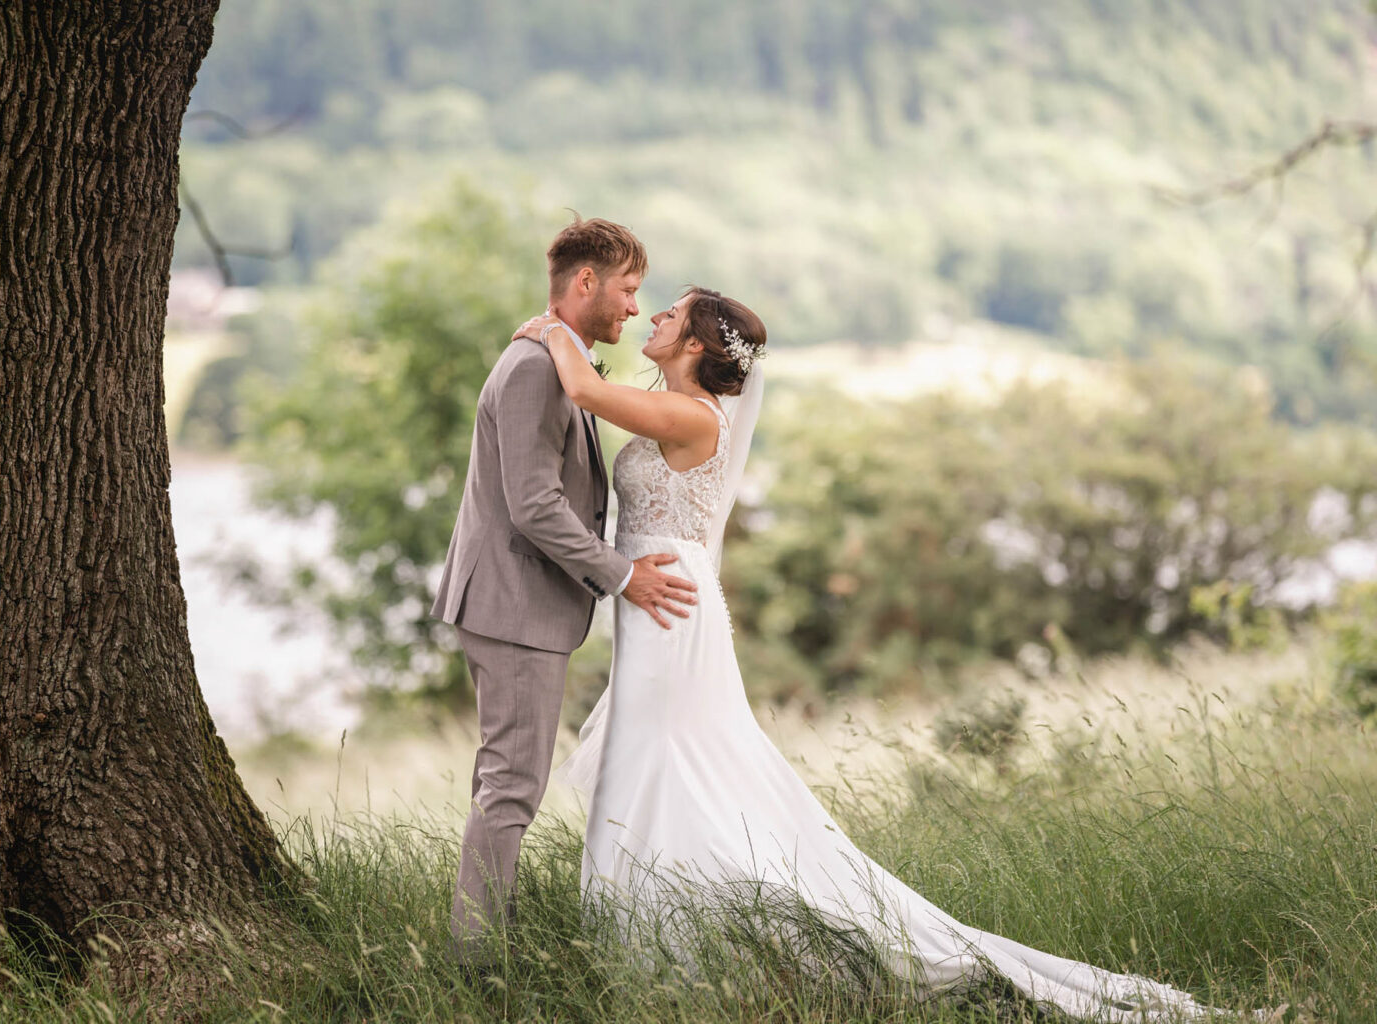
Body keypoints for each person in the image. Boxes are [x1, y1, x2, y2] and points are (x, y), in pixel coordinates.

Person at [512, 288, 1240, 1021]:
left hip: (668, 606)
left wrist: (549, 328)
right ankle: (658, 932)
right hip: (655, 599)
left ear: (697, 344)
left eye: (670, 314)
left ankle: (668, 935)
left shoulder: (693, 414)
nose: (655, 318)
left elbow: (583, 388)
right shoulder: (683, 408)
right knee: (652, 761)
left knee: (660, 760)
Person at [430, 216, 698, 966]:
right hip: (511, 608)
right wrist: (623, 575)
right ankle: (476, 965)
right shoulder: (532, 368)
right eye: (628, 289)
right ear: (587, 282)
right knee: (513, 787)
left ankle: (484, 946)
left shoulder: (558, 359)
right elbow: (534, 505)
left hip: (520, 606)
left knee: (507, 782)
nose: (635, 309)